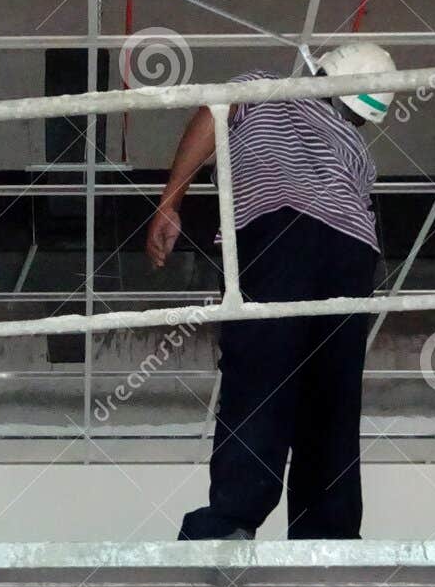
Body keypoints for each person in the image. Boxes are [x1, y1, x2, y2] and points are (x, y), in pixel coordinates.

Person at [146, 43, 395, 541]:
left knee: (262, 370)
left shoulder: (266, 85)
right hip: (352, 253)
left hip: (281, 231)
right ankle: (328, 533)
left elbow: (212, 114)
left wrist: (170, 201)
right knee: (332, 391)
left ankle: (232, 517)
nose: (353, 122)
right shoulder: (355, 147)